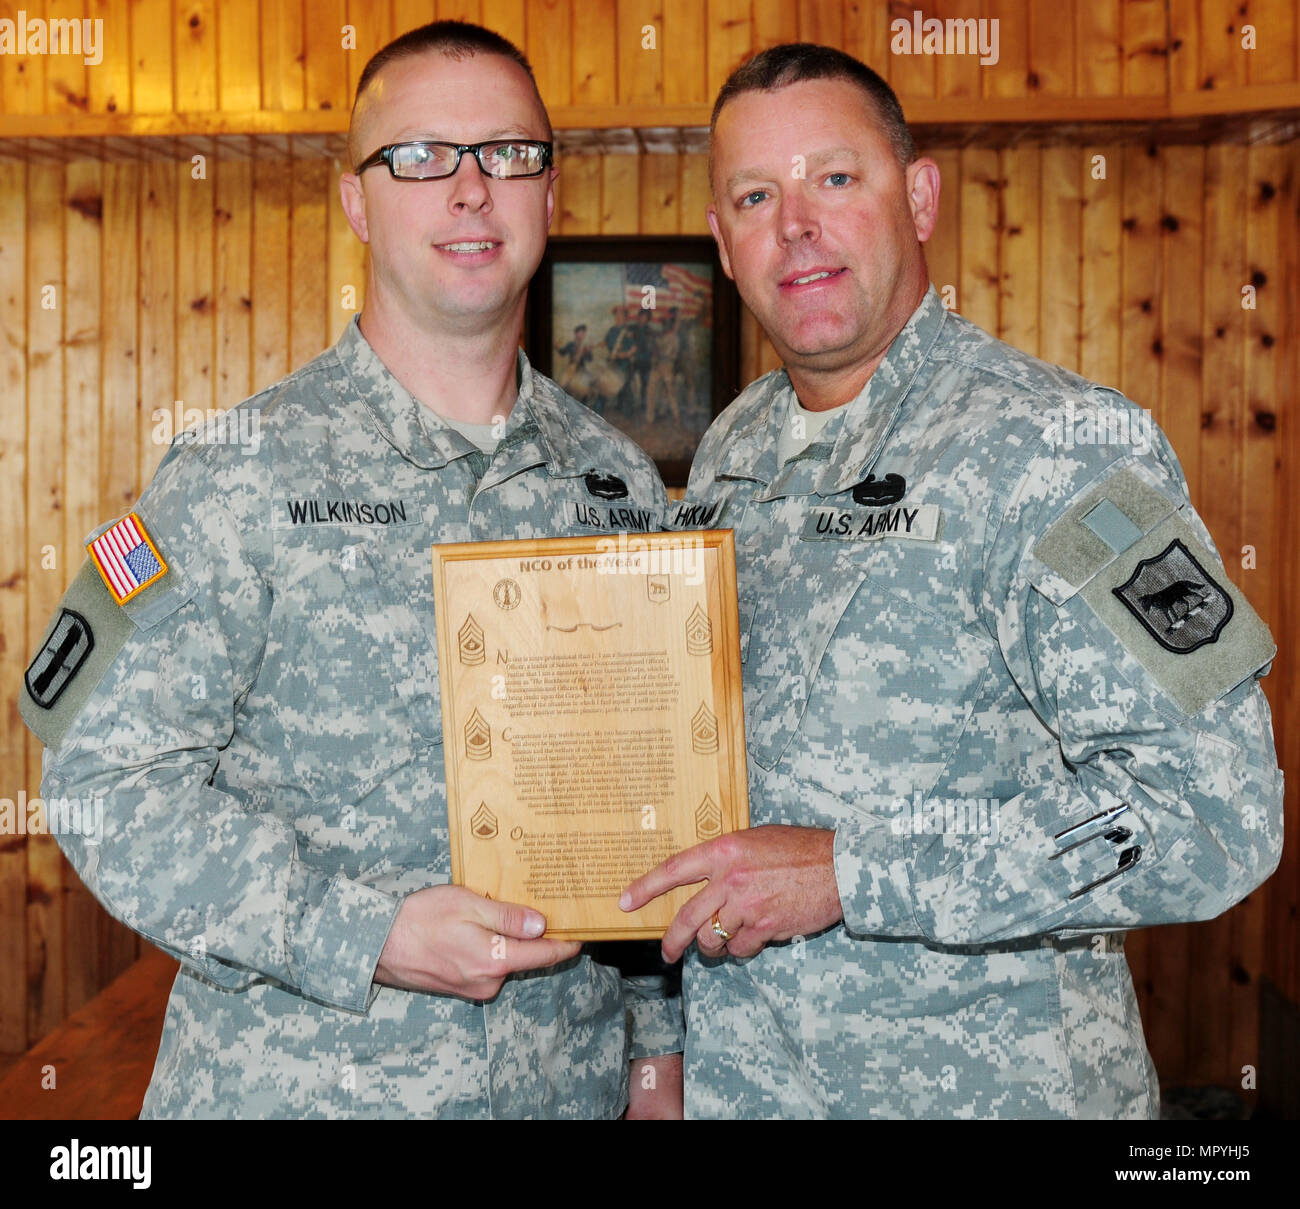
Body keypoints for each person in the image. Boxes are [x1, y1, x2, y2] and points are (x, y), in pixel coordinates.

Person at [20, 20, 680, 1119]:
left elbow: (650, 808)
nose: (470, 191)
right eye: (420, 157)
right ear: (357, 203)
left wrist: (653, 1054)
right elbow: (98, 785)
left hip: (560, 1093)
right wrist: (365, 934)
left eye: (507, 153)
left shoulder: (614, 484)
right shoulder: (230, 474)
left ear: (549, 195)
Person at [622, 43, 1284, 1119]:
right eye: (755, 195)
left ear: (918, 197)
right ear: (723, 245)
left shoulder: (1066, 450)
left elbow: (1214, 812)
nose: (796, 223)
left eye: (835, 179)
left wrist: (857, 872)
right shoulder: (731, 451)